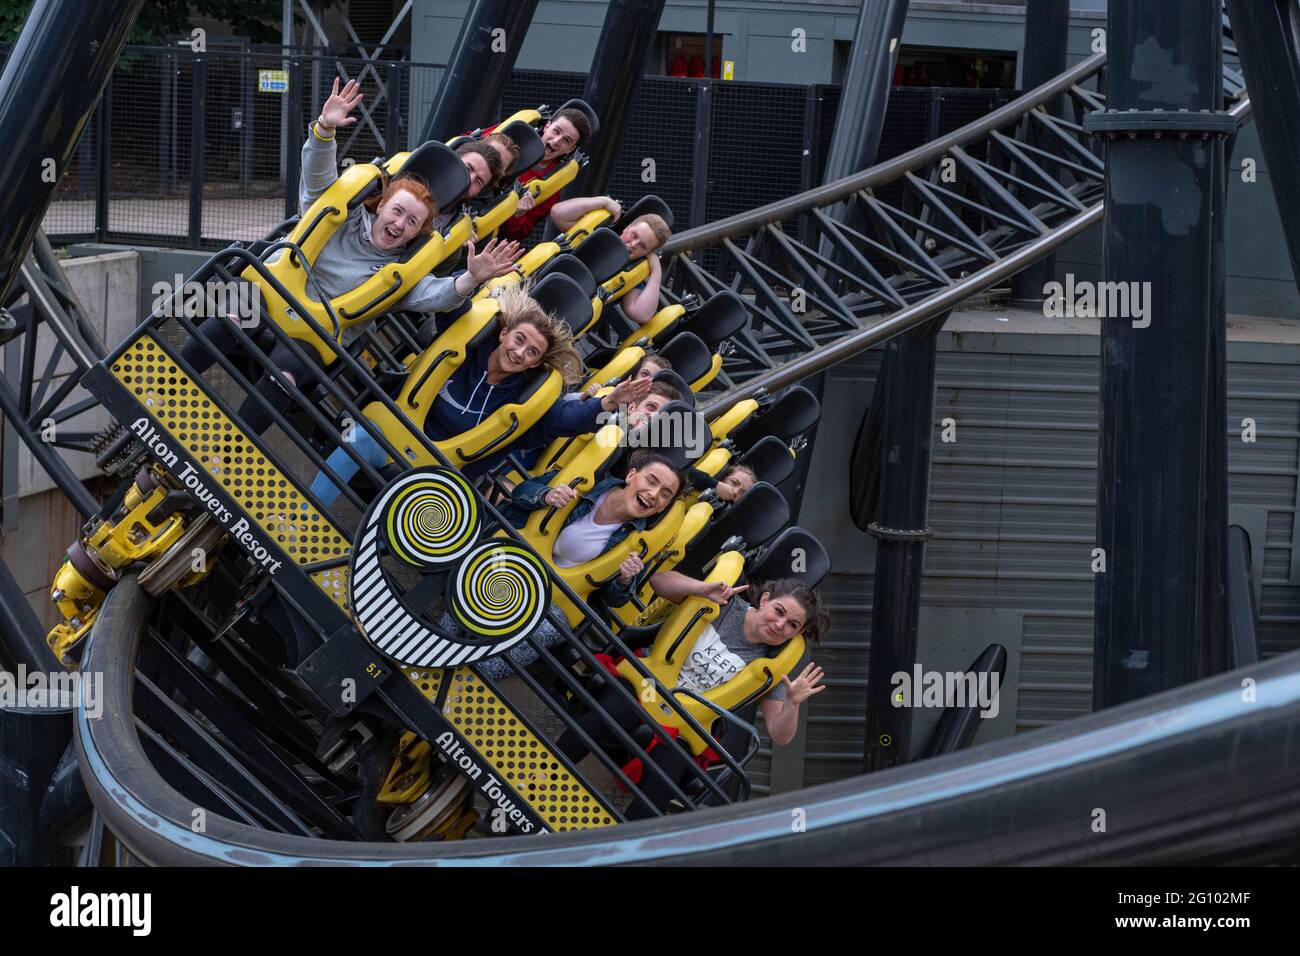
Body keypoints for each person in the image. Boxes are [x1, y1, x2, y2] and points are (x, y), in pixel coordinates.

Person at [180, 78, 522, 432]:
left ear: (420, 232)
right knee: (238, 312)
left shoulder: (402, 269)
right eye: (397, 211)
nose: (400, 224)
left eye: (412, 223)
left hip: (313, 333)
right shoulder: (342, 215)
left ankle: (232, 443)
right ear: (382, 203)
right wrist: (325, 130)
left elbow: (432, 294)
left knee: (287, 371)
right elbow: (317, 179)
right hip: (270, 294)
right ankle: (168, 385)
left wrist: (469, 279)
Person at [308, 283, 652, 503]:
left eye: (532, 352)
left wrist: (608, 402)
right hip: (389, 440)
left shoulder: (525, 400)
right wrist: (470, 278)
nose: (520, 353)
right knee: (360, 436)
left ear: (535, 364)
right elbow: (451, 308)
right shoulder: (467, 346)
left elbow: (564, 419)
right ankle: (307, 518)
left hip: (433, 474)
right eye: (520, 340)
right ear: (504, 335)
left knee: (437, 503)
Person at [555, 577, 830, 819]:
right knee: (616, 711)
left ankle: (618, 849)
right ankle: (544, 775)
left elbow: (780, 735)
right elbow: (659, 581)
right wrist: (701, 588)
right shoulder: (724, 605)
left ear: (797, 633)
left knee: (665, 779)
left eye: (792, 625)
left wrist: (792, 703)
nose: (780, 624)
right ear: (766, 600)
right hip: (650, 687)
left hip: (684, 725)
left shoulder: (773, 664)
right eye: (779, 611)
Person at [471, 451, 688, 680]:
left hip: (554, 599)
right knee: (494, 583)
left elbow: (614, 599)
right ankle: (448, 647)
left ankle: (475, 677)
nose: (653, 494)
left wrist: (625, 579)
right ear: (631, 475)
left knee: (548, 628)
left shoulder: (640, 543)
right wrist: (546, 496)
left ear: (664, 507)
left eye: (665, 494)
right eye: (651, 480)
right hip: (516, 562)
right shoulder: (585, 481)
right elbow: (521, 492)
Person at [547, 200, 671, 325]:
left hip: (561, 320)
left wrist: (656, 271)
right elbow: (558, 213)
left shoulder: (631, 273)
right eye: (634, 236)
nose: (633, 244)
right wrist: (603, 201)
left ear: (647, 254)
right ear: (627, 228)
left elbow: (640, 314)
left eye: (642, 246)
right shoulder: (595, 231)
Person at [493, 107, 593, 242]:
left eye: (566, 140)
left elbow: (515, 238)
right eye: (556, 131)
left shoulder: (550, 189)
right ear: (547, 126)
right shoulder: (514, 135)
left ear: (571, 149)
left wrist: (518, 214)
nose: (557, 141)